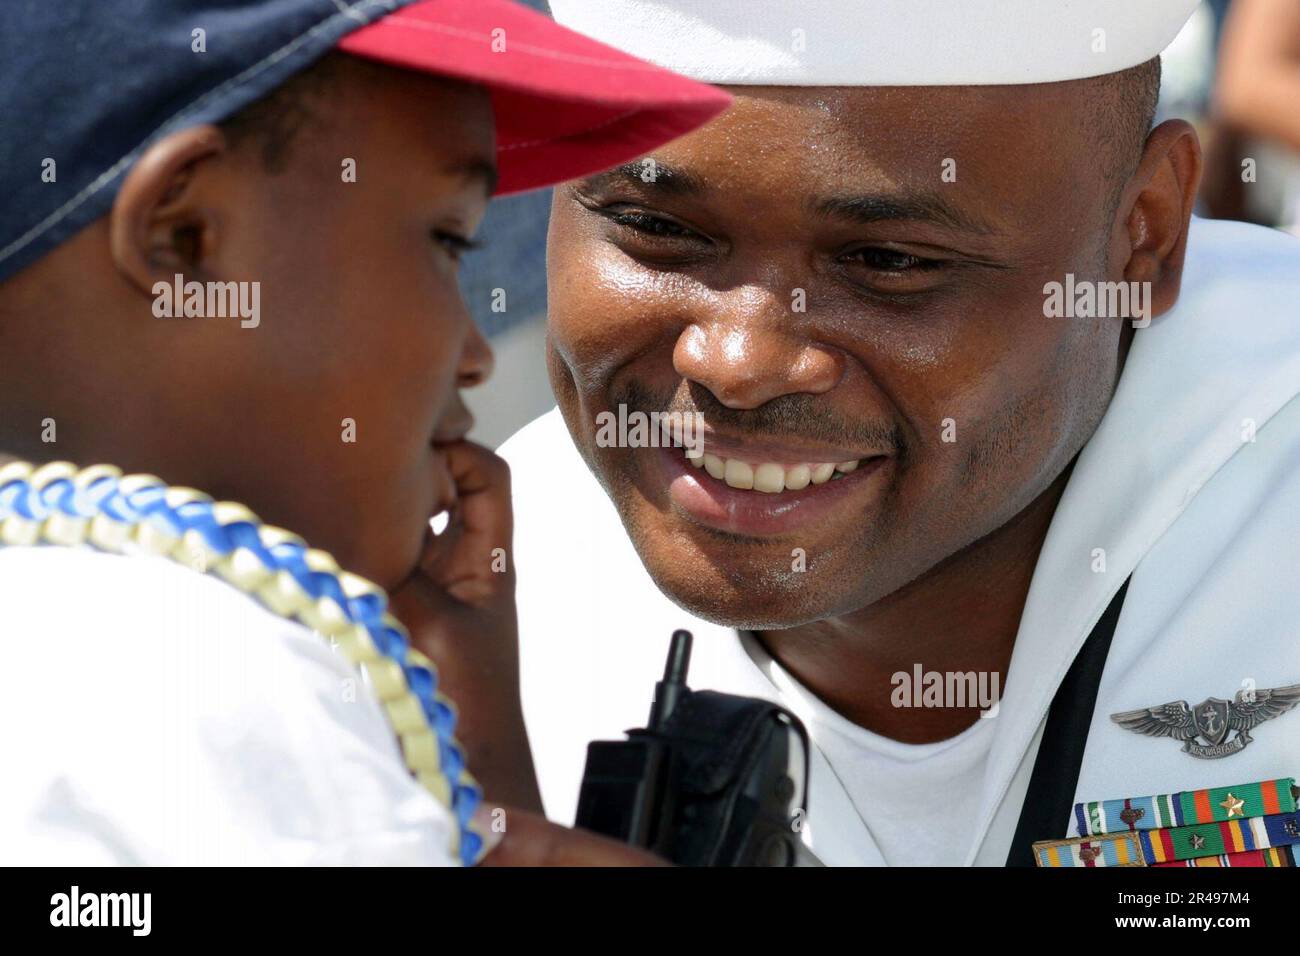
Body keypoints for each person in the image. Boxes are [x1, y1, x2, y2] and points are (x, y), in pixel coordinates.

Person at [499, 0, 1300, 865]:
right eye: (656, 229)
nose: (737, 363)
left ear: (1145, 234)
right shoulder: (477, 605)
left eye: (889, 262)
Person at [0, 0, 727, 866]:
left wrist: (465, 726)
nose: (472, 355)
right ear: (183, 239)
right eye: (449, 239)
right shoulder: (205, 678)